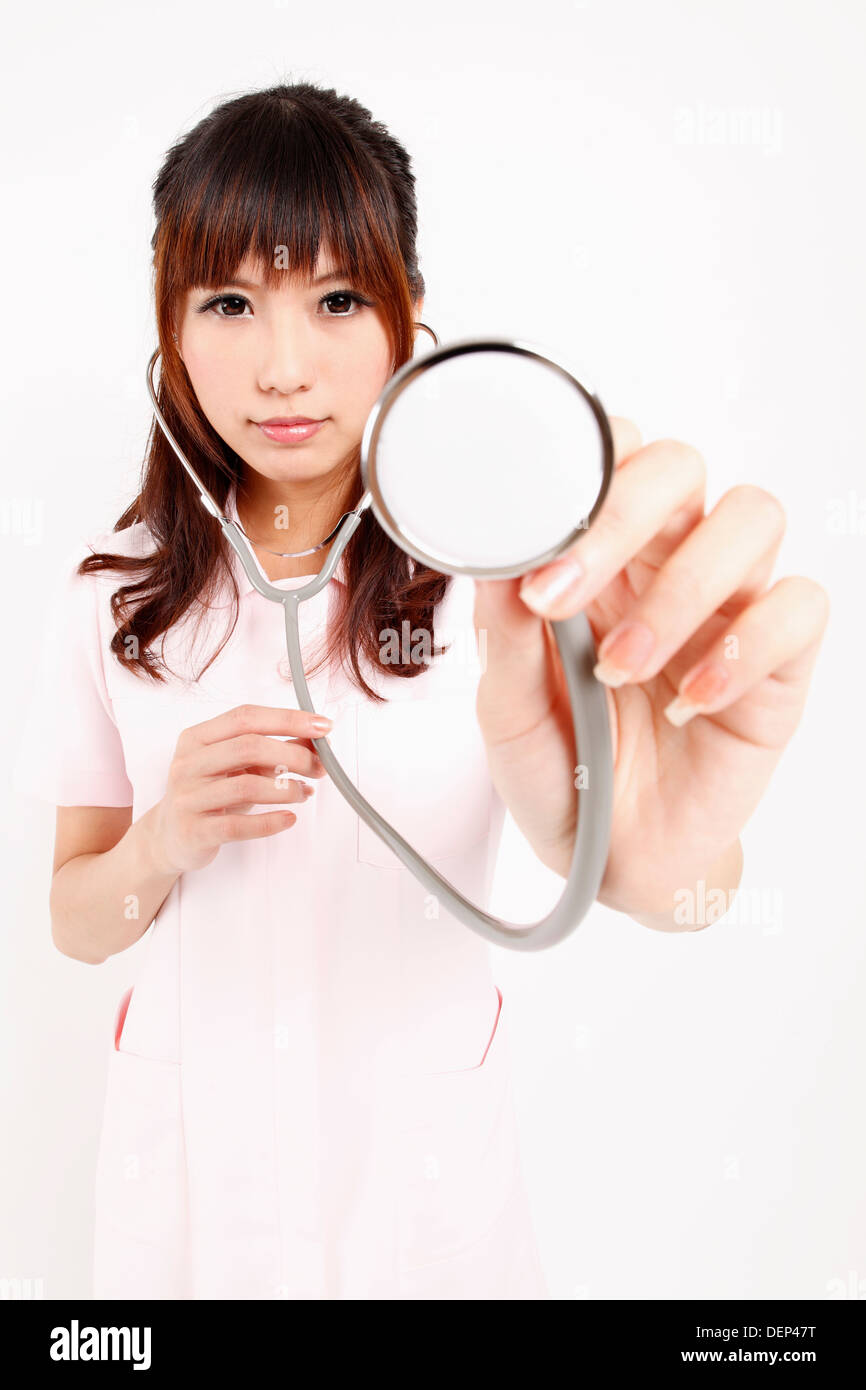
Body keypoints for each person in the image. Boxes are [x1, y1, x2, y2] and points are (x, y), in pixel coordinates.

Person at [15, 81, 829, 1302]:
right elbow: (76, 925)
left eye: (337, 299)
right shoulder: (110, 597)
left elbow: (671, 889)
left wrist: (667, 855)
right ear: (169, 333)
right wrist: (162, 843)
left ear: (406, 323)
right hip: (185, 1203)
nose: (283, 366)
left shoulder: (509, 583)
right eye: (229, 302)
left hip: (422, 1203)